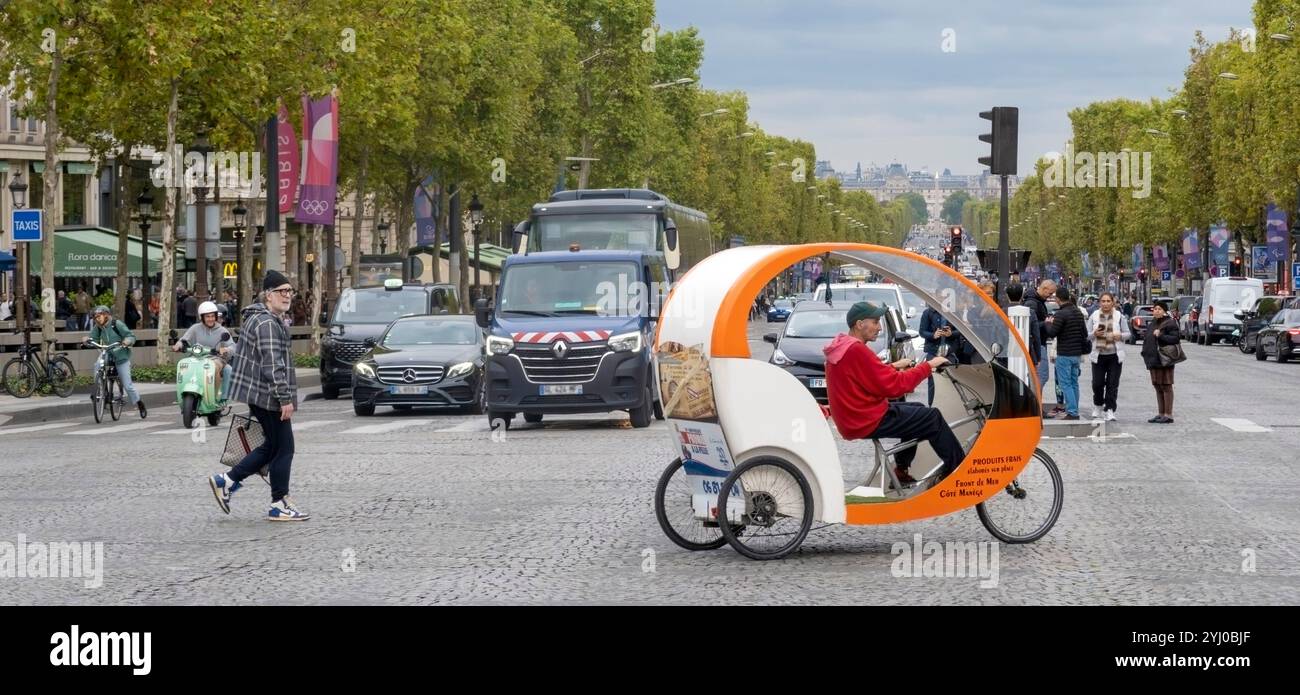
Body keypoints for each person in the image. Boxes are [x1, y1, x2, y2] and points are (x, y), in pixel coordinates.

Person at [824, 301, 963, 487]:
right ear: (859, 324)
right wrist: (928, 366)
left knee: (918, 409)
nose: (879, 327)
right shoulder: (856, 349)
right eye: (875, 322)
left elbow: (867, 376)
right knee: (932, 417)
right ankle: (959, 470)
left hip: (856, 416)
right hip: (865, 419)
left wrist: (893, 366)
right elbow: (895, 386)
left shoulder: (844, 345)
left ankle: (901, 471)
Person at [208, 270, 309, 521]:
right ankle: (279, 502)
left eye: (289, 291)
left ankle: (228, 481)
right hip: (268, 395)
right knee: (285, 448)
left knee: (272, 446)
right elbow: (272, 365)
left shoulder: (261, 318)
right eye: (281, 291)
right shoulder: (267, 323)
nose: (287, 296)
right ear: (267, 295)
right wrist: (284, 398)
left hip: (258, 393)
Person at [84, 305, 147, 419]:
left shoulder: (116, 324)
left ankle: (139, 403)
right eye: (95, 317)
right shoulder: (98, 327)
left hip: (121, 355)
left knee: (128, 385)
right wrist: (88, 340)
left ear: (106, 315)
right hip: (107, 352)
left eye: (99, 316)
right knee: (98, 364)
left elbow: (130, 336)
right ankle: (98, 389)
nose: (97, 319)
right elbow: (93, 338)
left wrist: (127, 341)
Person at [173, 300, 236, 401]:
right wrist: (178, 345)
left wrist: (226, 349)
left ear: (216, 316)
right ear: (202, 317)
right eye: (207, 316)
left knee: (213, 367)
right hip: (196, 358)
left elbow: (232, 346)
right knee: (184, 366)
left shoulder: (222, 331)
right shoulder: (195, 328)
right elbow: (184, 340)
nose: (210, 319)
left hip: (216, 359)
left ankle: (213, 397)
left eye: (212, 316)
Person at [1045, 287, 1088, 420]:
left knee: (1066, 384)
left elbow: (1052, 333)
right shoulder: (1078, 312)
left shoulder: (1060, 314)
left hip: (1064, 354)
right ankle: (1075, 409)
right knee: (1074, 383)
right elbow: (1085, 333)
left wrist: (1048, 324)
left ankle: (1072, 412)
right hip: (1076, 354)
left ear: (1058, 298)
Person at [1087, 292, 1129, 421]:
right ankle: (1098, 405)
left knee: (1112, 384)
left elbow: (1128, 333)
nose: (1105, 304)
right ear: (1099, 303)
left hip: (1114, 355)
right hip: (1098, 355)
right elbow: (1087, 335)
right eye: (1103, 301)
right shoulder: (1094, 316)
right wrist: (1094, 333)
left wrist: (1120, 336)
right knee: (1097, 383)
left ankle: (1110, 409)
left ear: (1113, 302)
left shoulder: (1119, 316)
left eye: (1108, 301)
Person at [1141, 300, 1180, 424]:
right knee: (1157, 386)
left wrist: (1161, 336)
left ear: (1164, 311)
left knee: (1166, 386)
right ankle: (1161, 413)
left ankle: (1168, 414)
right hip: (1153, 359)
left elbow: (1175, 338)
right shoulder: (1153, 322)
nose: (1157, 311)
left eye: (1159, 309)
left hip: (1165, 360)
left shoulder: (1170, 323)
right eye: (1155, 309)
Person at [1023, 279, 1056, 412]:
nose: (1051, 296)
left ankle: (1036, 406)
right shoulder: (1033, 303)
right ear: (1044, 288)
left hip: (1039, 343)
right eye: (1050, 293)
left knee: (1040, 376)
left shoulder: (1036, 301)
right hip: (1037, 345)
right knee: (1041, 376)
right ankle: (1036, 407)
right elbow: (1031, 325)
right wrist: (1046, 322)